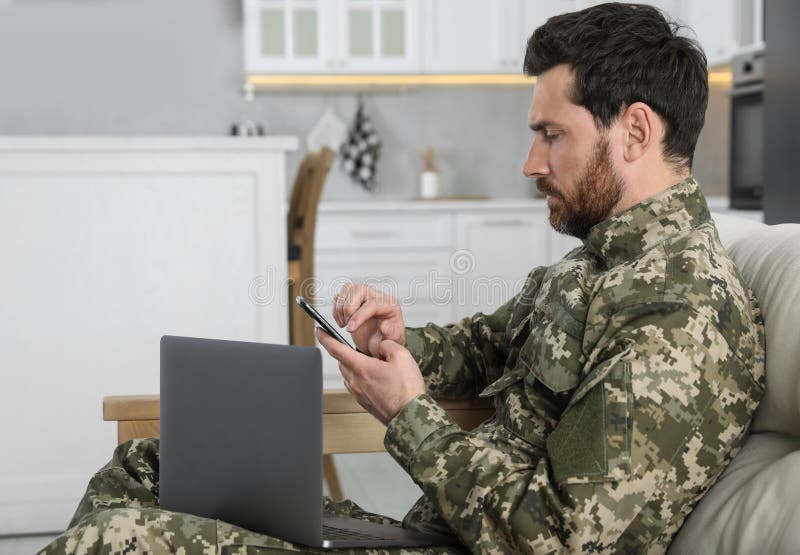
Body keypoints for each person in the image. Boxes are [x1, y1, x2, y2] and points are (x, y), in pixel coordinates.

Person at [42, 3, 764, 554]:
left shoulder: (677, 316)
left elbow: (557, 537)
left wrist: (410, 414)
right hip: (428, 534)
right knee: (151, 464)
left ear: (636, 131)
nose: (530, 163)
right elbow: (488, 342)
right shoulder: (600, 262)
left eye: (551, 134)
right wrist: (399, 338)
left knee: (109, 539)